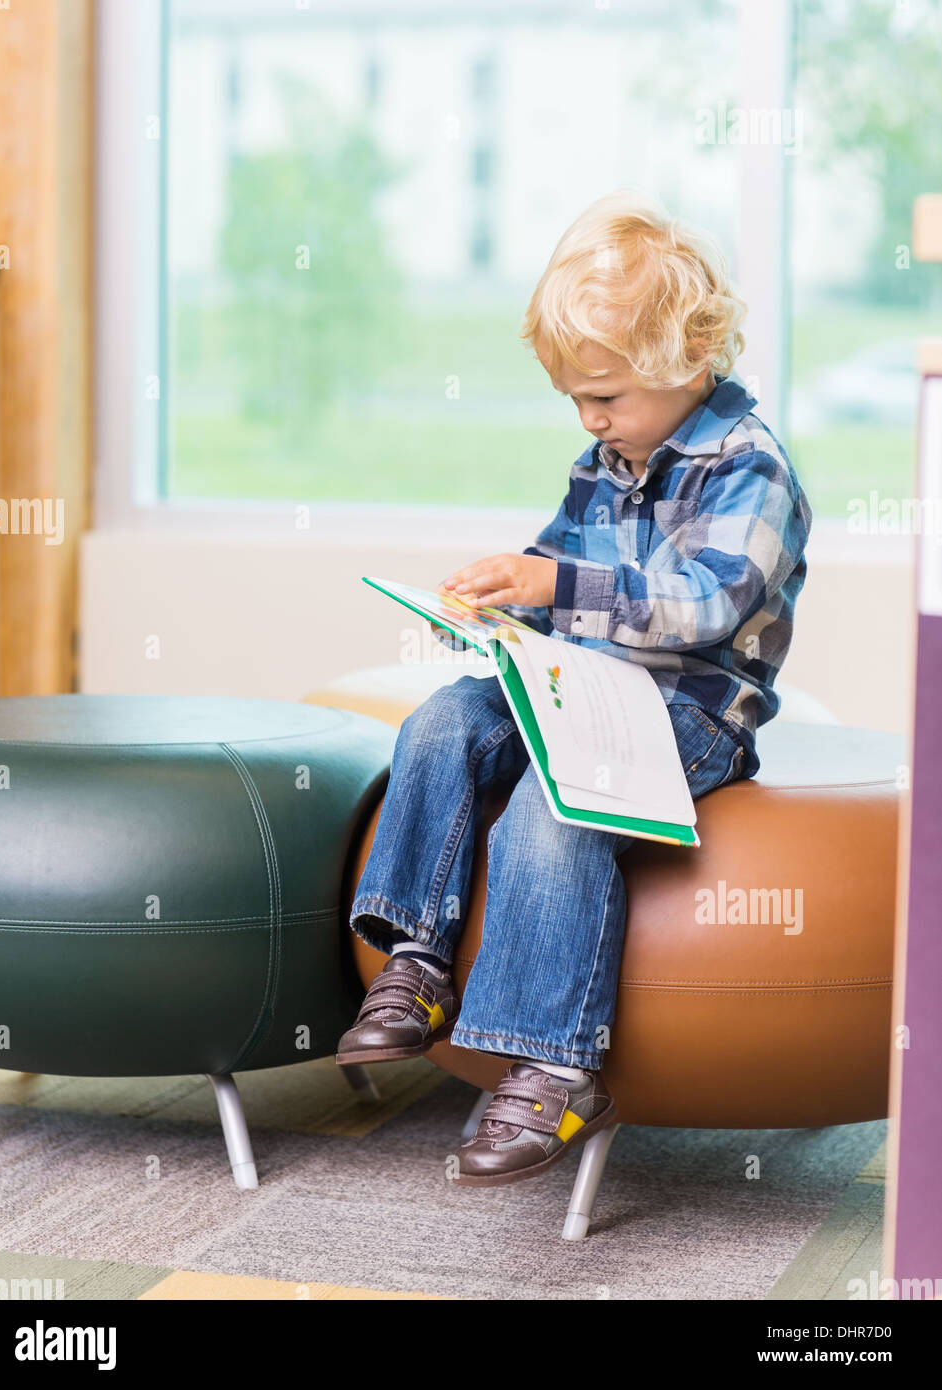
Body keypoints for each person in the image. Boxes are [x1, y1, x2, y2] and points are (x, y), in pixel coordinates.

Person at [336, 189, 812, 1188]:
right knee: (443, 718)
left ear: (687, 363)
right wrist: (505, 598)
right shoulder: (606, 459)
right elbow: (555, 575)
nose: (590, 420)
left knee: (558, 805)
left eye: (604, 397)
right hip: (585, 688)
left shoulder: (748, 471)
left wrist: (560, 586)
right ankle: (416, 955)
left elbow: (704, 604)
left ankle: (556, 1061)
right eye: (576, 400)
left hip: (690, 715)